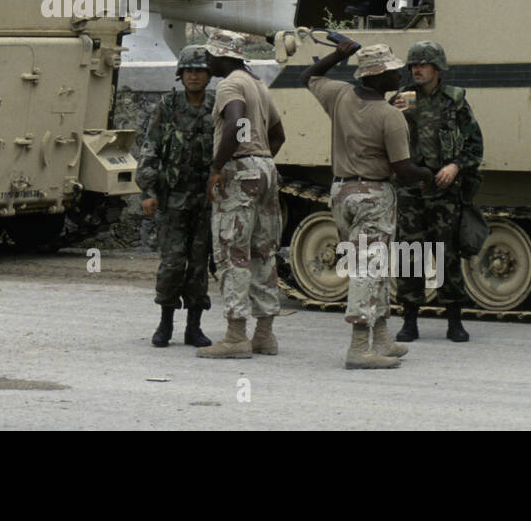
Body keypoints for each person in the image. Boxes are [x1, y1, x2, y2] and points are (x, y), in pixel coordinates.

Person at [301, 39, 433, 369]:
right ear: (377, 78)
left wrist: (338, 54)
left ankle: (382, 339)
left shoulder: (340, 95)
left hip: (342, 193)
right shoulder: (391, 116)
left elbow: (309, 76)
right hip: (374, 196)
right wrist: (428, 174)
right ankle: (360, 347)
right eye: (392, 72)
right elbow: (403, 170)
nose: (400, 75)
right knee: (368, 270)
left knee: (373, 267)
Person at [197, 30, 285, 359]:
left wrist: (218, 167)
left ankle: (236, 337)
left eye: (210, 56)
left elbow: (234, 125)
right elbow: (278, 133)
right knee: (263, 252)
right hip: (264, 169)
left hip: (240, 170)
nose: (206, 62)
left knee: (233, 252)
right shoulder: (259, 85)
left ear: (223, 55)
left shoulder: (230, 84)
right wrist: (259, 159)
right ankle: (264, 335)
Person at [393, 40, 484, 343]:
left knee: (446, 256)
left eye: (422, 64)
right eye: (413, 65)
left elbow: (474, 145)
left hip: (444, 191)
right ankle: (409, 321)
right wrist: (395, 114)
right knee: (410, 255)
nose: (416, 69)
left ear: (437, 68)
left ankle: (454, 321)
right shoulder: (402, 100)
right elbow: (388, 140)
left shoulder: (454, 101)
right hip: (412, 191)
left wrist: (456, 166)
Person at [134, 45, 216, 348]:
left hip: (204, 201)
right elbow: (150, 149)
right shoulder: (167, 107)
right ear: (180, 75)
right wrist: (148, 190)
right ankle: (165, 322)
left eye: (199, 70)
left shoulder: (217, 106)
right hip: (172, 200)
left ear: (209, 74)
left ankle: (193, 327)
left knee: (198, 264)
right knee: (172, 263)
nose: (193, 76)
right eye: (188, 70)